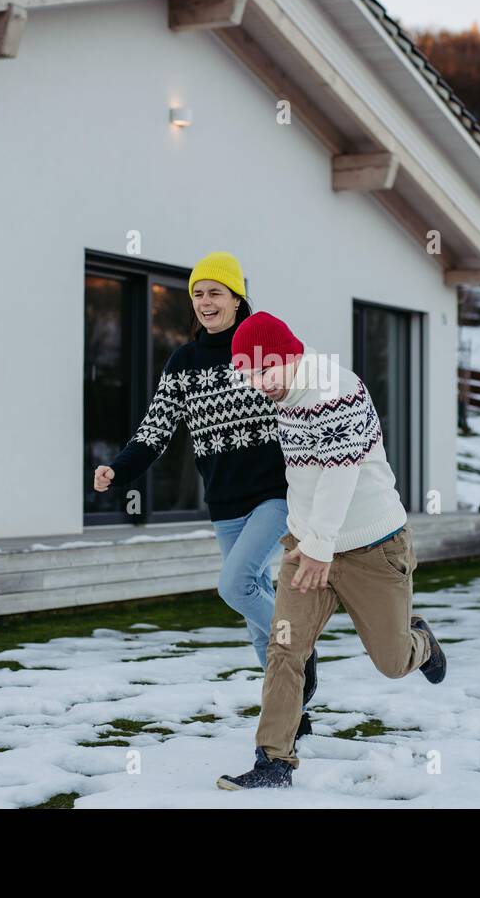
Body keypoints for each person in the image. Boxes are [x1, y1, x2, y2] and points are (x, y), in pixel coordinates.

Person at [216, 311, 446, 791]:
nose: (259, 385)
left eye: (264, 371)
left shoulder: (335, 389)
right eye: (249, 375)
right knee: (284, 648)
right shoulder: (284, 393)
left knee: (391, 661)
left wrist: (319, 547)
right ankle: (274, 761)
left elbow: (340, 474)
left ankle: (418, 642)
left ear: (290, 355)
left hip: (373, 548)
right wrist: (308, 544)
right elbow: (307, 478)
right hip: (308, 549)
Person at [93, 253, 318, 737]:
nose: (205, 302)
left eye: (216, 292)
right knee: (256, 614)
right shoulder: (183, 363)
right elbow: (155, 431)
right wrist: (119, 468)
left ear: (237, 298)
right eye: (198, 293)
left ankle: (301, 654)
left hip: (274, 495)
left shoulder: (261, 347)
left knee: (235, 585)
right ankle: (290, 712)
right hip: (224, 503)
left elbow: (305, 403)